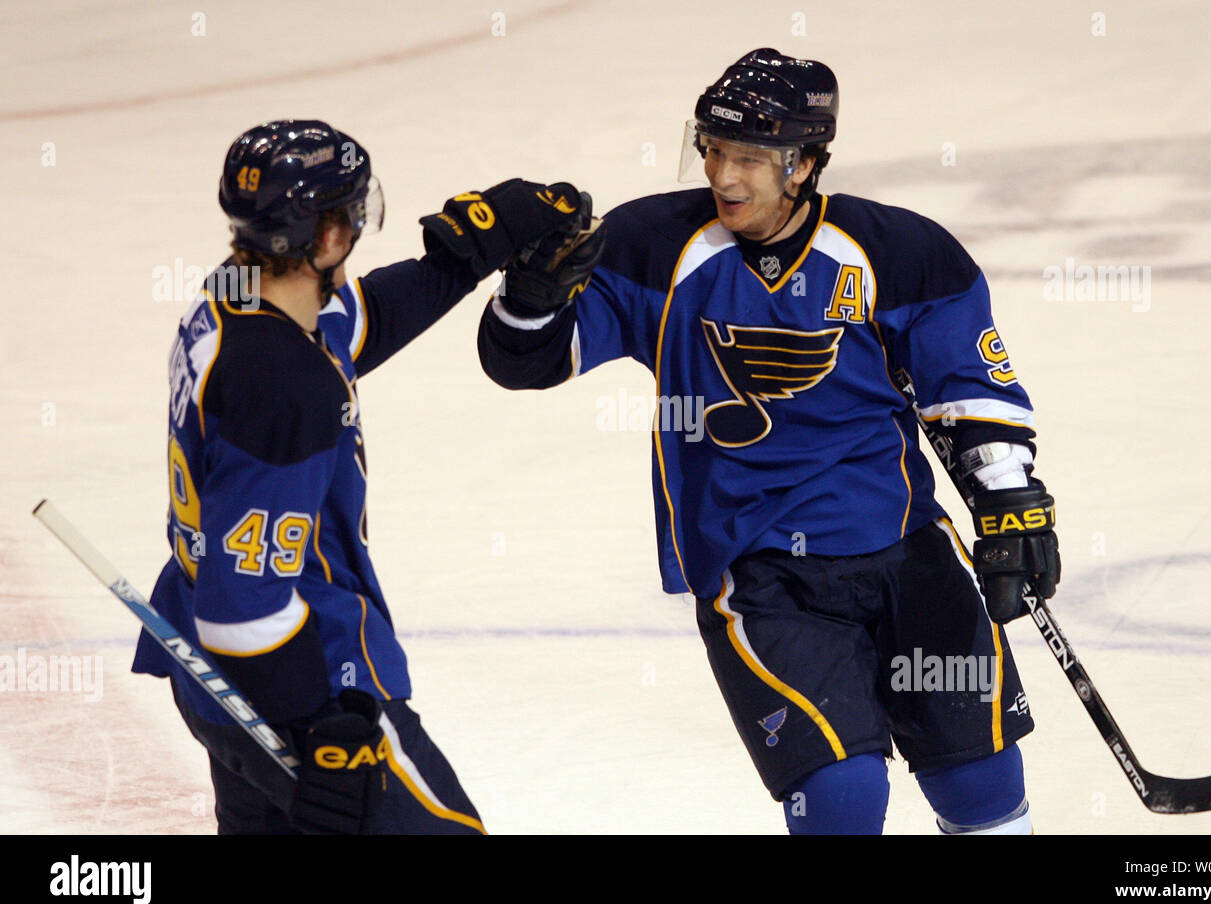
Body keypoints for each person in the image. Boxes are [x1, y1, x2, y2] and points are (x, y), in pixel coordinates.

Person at [477, 50, 1061, 834]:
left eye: (750, 157)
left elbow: (969, 390)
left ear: (807, 162)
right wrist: (530, 297)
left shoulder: (901, 253)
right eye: (714, 149)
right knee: (841, 798)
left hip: (907, 549)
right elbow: (527, 360)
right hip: (765, 574)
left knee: (981, 783)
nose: (724, 175)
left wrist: (1010, 498)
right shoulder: (654, 246)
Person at [132, 119, 589, 834]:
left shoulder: (226, 299)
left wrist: (470, 254)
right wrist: (329, 726)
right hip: (298, 682)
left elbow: (356, 320)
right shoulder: (286, 391)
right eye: (349, 215)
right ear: (325, 236)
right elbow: (242, 606)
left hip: (208, 679)